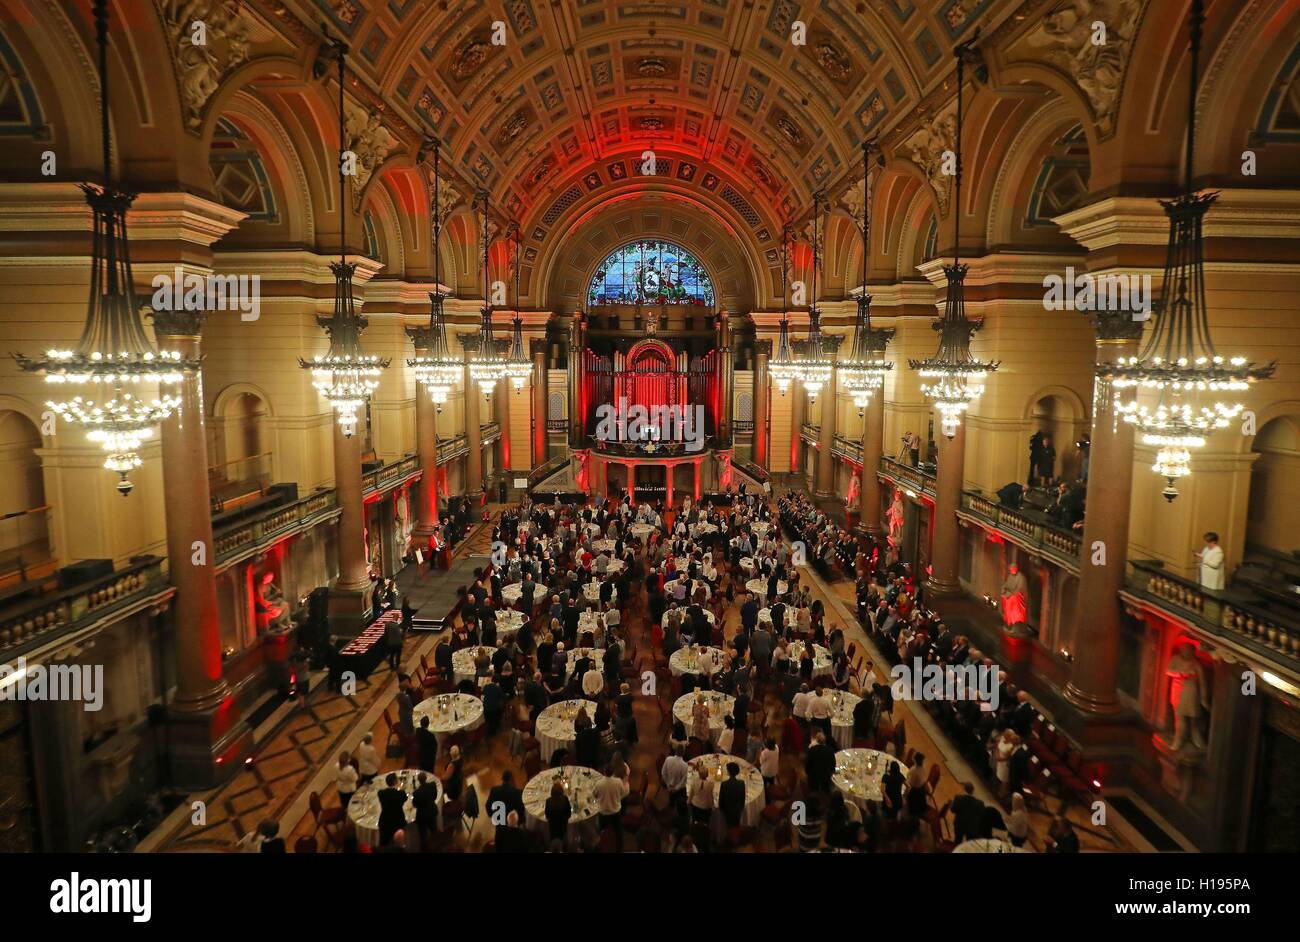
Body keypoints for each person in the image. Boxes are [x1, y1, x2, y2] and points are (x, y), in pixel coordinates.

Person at [593, 763, 630, 842]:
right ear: (613, 772)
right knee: (618, 831)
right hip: (615, 811)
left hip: (603, 812)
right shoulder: (618, 782)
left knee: (601, 831)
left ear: (604, 772)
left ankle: (602, 844)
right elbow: (622, 793)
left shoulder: (599, 783)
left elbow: (594, 795)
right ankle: (619, 846)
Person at [487, 771, 526, 841]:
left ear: (502, 779)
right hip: (513, 828)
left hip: (499, 828)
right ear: (512, 780)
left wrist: (494, 817)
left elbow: (487, 806)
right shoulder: (517, 793)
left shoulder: (494, 790)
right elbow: (521, 812)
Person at [376, 772, 407, 847]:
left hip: (385, 821)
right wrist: (400, 788)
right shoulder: (401, 793)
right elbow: (405, 798)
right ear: (395, 782)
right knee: (398, 843)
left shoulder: (381, 793)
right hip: (398, 820)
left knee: (384, 843)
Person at [412, 772, 439, 850]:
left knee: (423, 835)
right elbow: (435, 797)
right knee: (434, 829)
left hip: (422, 816)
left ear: (418, 780)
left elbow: (414, 805)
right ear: (426, 778)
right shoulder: (432, 785)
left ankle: (424, 849)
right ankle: (436, 845)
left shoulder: (416, 793)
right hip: (432, 811)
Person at [544, 780, 571, 846]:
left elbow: (547, 816)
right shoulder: (565, 800)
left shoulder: (548, 801)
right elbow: (569, 814)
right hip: (563, 828)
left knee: (554, 843)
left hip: (553, 829)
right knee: (564, 843)